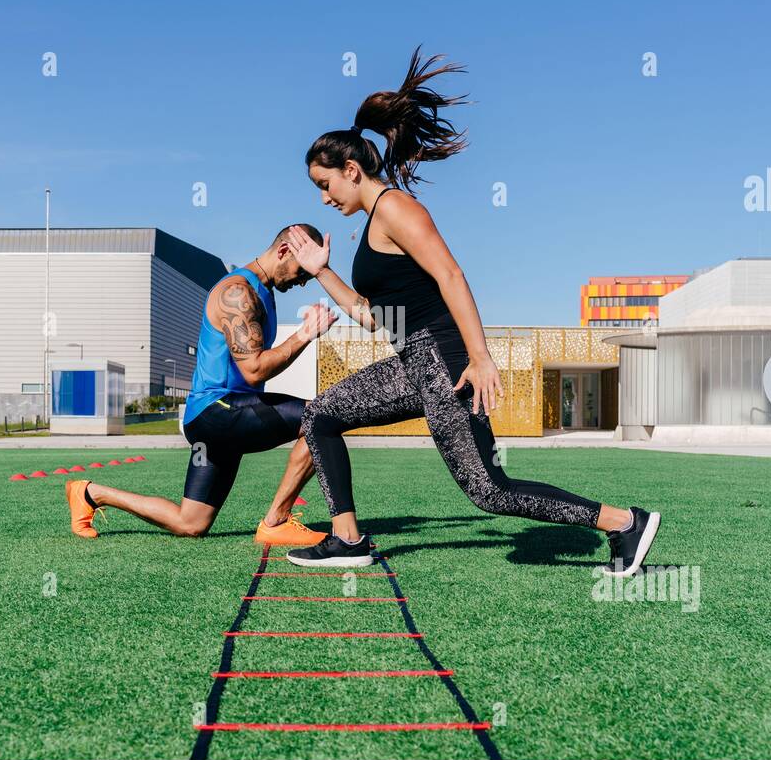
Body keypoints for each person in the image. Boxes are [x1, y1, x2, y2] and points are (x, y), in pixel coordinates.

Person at [283, 48, 663, 575]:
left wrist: (480, 357)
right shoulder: (371, 227)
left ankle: (625, 523)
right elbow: (373, 318)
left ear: (351, 170)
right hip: (413, 360)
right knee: (320, 415)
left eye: (324, 185)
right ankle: (347, 539)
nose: (324, 199)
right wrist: (323, 271)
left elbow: (451, 276)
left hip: (443, 359)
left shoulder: (395, 208)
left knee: (487, 489)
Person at [64, 224, 336, 545]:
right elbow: (254, 370)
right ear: (283, 251)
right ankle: (276, 522)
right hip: (216, 411)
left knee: (191, 523)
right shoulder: (237, 292)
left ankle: (89, 493)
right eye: (303, 271)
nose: (303, 280)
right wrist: (306, 333)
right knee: (321, 416)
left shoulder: (265, 293)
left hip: (223, 418)